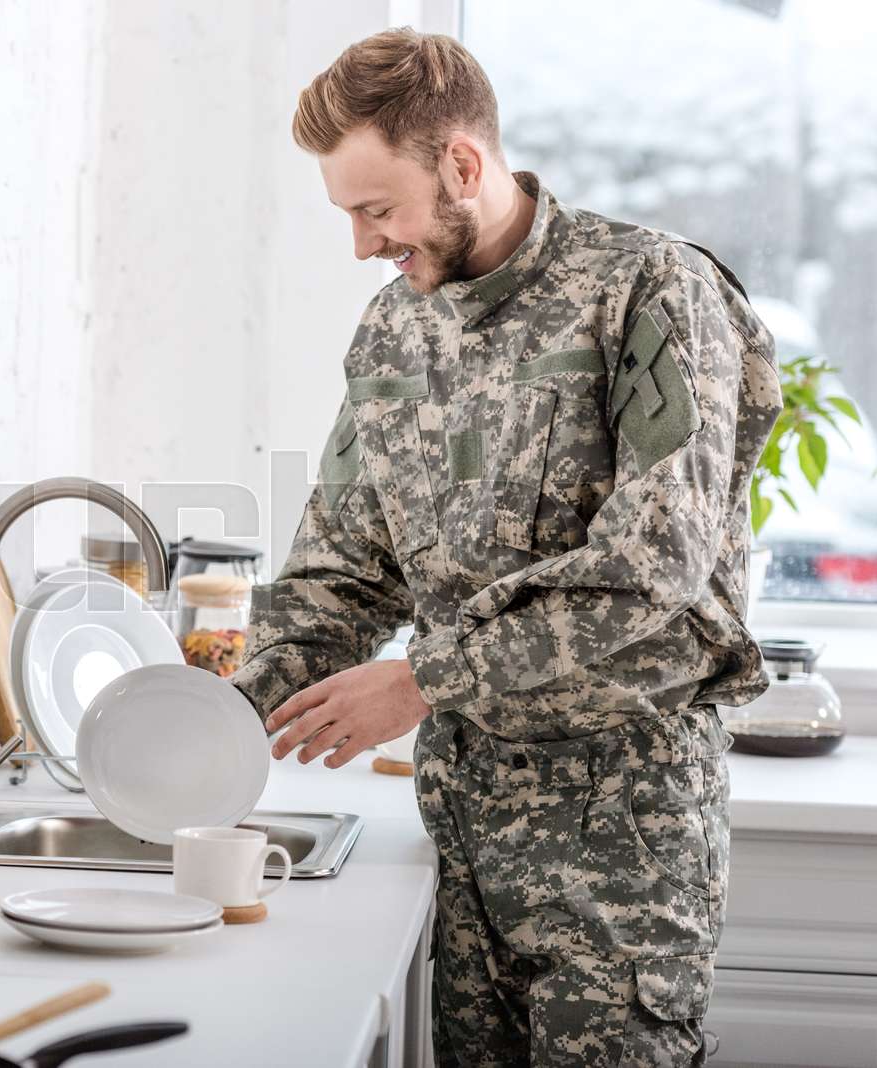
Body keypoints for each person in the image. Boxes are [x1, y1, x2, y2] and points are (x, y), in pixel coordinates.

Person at [230, 27, 782, 1067]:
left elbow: (647, 570)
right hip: (464, 837)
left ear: (462, 165)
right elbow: (344, 567)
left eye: (374, 208)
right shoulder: (394, 330)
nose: (361, 244)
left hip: (621, 845)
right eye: (346, 214)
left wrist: (421, 678)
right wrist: (223, 713)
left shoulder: (648, 290)